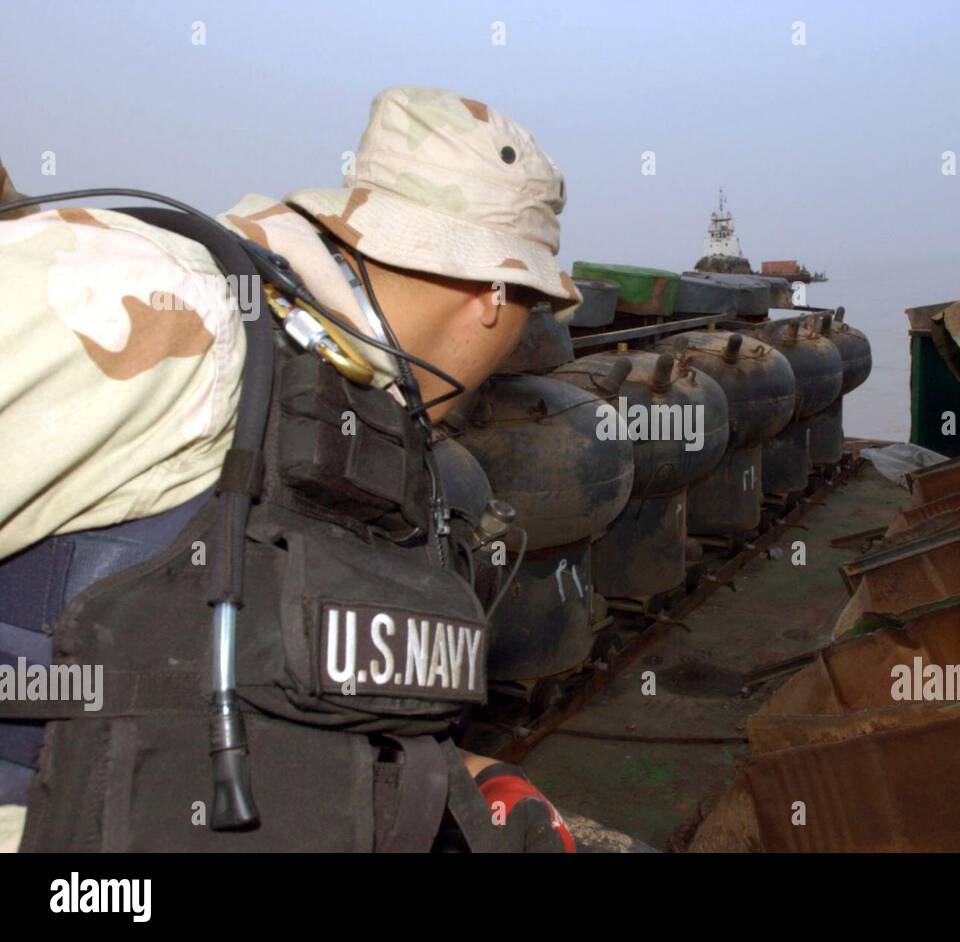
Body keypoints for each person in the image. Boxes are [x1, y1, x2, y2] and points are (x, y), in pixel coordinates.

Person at [0, 86, 581, 853]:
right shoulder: (167, 310)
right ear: (494, 300)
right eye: (533, 313)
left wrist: (457, 777)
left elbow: (263, 698)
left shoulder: (356, 418)